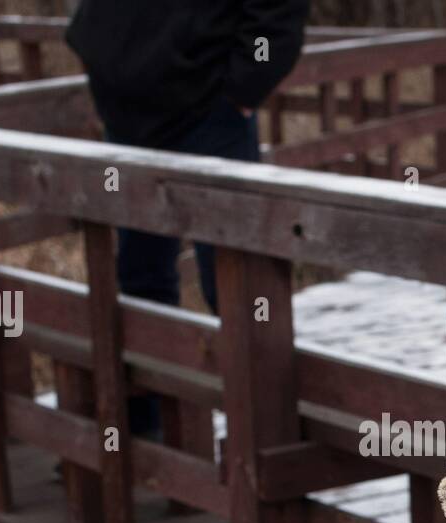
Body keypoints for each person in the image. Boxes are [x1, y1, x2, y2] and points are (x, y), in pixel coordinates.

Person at [66, 0, 310, 433]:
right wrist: (99, 54)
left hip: (209, 118)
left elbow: (278, 17)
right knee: (140, 280)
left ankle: (266, 441)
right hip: (128, 115)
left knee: (238, 285)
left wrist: (241, 92)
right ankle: (146, 433)